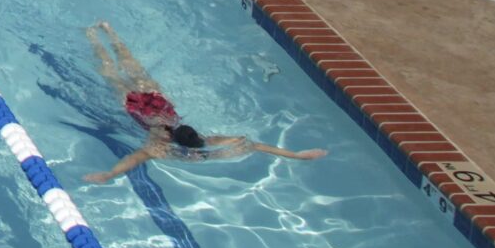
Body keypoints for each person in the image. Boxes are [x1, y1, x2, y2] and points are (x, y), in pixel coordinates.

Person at [82, 22, 325, 184]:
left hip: (159, 101)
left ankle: (107, 30)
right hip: (137, 108)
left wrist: (298, 155)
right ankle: (93, 37)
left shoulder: (204, 139)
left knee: (132, 66)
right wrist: (109, 174)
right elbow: (134, 159)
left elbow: (254, 144)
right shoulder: (164, 147)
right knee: (112, 73)